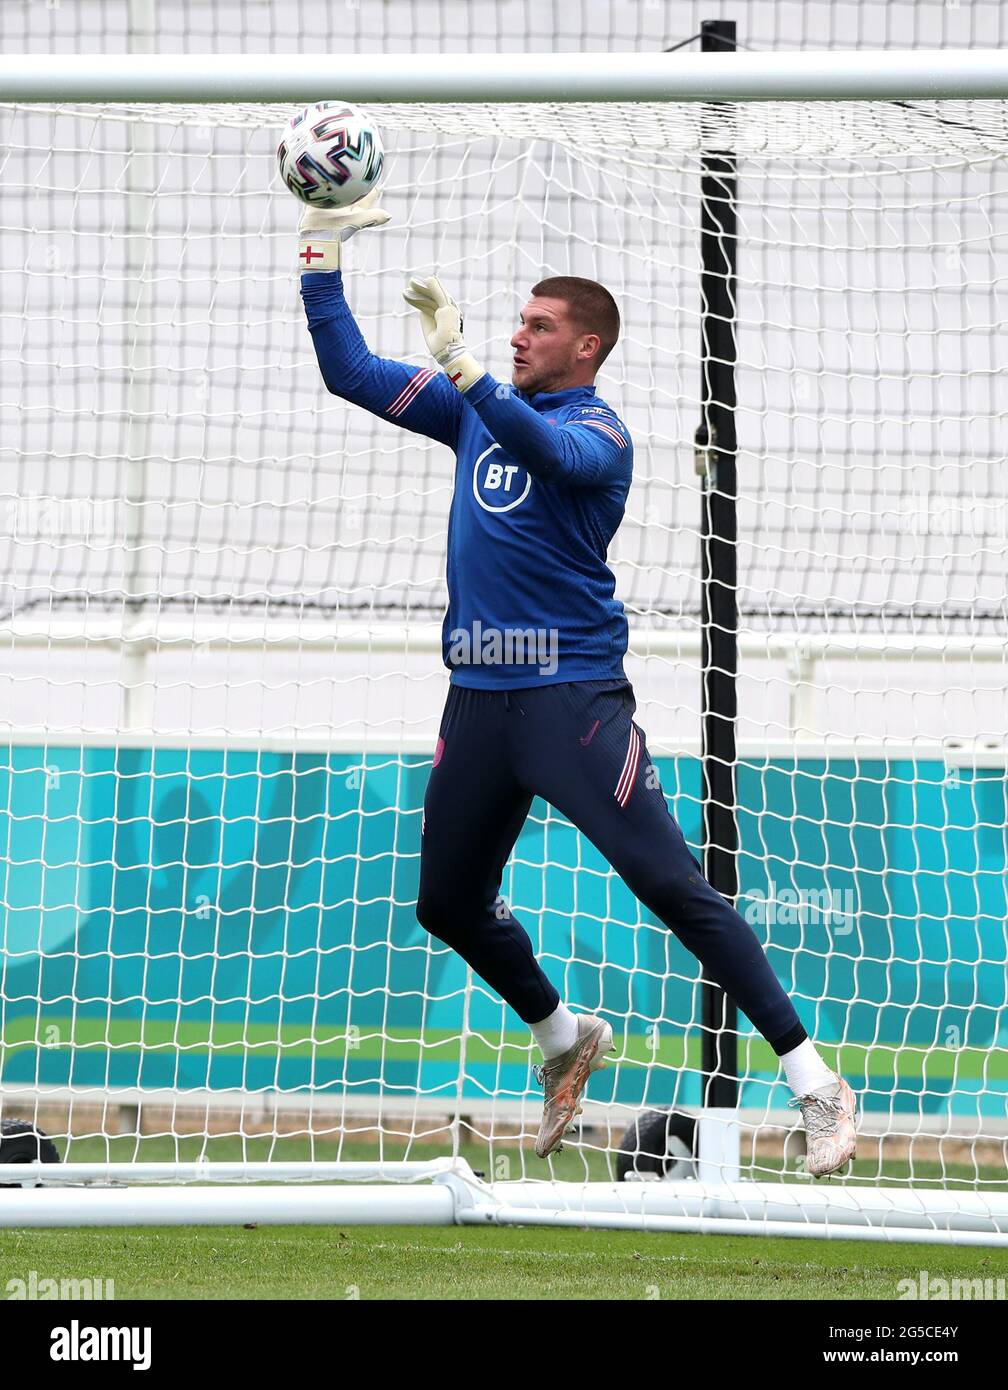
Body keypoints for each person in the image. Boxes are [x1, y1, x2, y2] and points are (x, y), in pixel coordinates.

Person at [298, 189, 857, 1175]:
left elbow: (542, 447)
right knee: (446, 902)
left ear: (587, 346)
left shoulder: (600, 435)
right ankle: (564, 1037)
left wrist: (466, 368)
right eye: (515, 322)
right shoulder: (472, 411)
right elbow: (347, 371)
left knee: (669, 886)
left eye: (539, 326)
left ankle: (815, 1081)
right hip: (478, 700)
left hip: (571, 700)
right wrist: (322, 252)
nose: (518, 336)